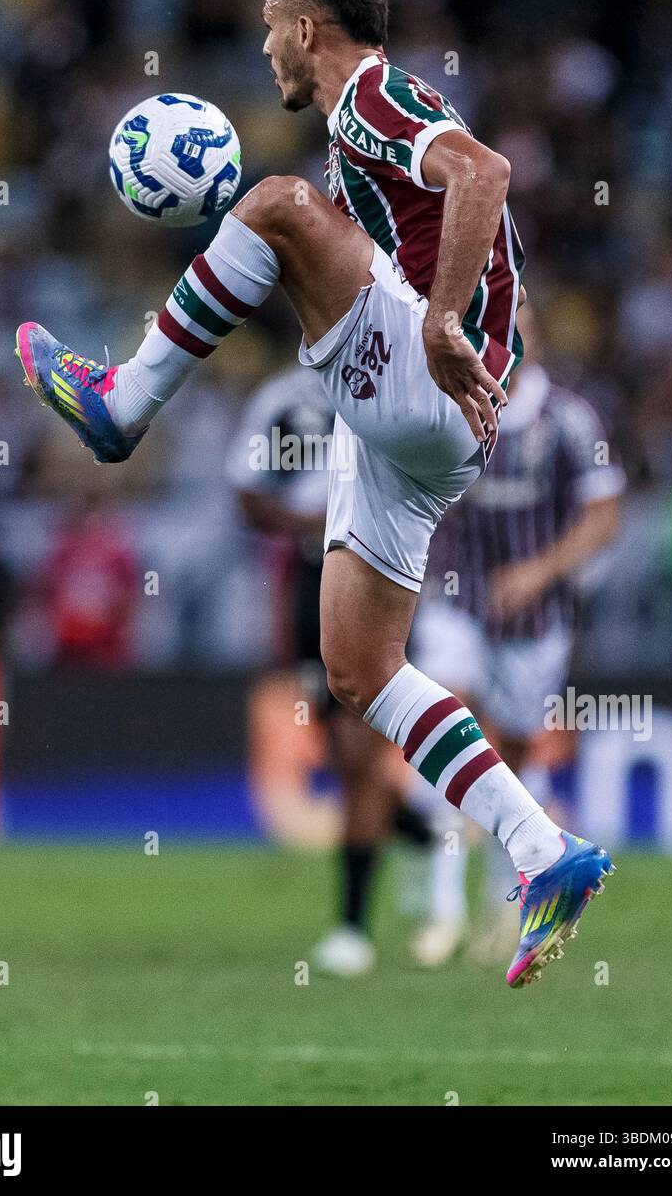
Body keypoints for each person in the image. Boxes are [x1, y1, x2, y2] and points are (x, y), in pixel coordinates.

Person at [15, 0, 613, 987]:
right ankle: (543, 854)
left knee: (278, 207)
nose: (262, 51)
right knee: (360, 668)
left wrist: (436, 319)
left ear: (306, 30)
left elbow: (485, 171)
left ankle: (122, 403)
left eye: (265, 30)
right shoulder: (371, 128)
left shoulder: (369, 97)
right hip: (435, 435)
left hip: (433, 383)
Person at [411, 310, 624, 964]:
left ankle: (506, 904)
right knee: (453, 721)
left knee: (515, 752)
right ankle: (441, 909)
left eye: (514, 319)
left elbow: (604, 516)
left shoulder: (568, 420)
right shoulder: (444, 403)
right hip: (455, 594)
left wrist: (542, 570)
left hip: (534, 618)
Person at [226, 363, 435, 976]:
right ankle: (415, 829)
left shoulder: (401, 382)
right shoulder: (285, 401)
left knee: (358, 744)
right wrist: (311, 524)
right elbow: (246, 491)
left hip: (381, 573)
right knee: (342, 755)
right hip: (312, 580)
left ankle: (352, 927)